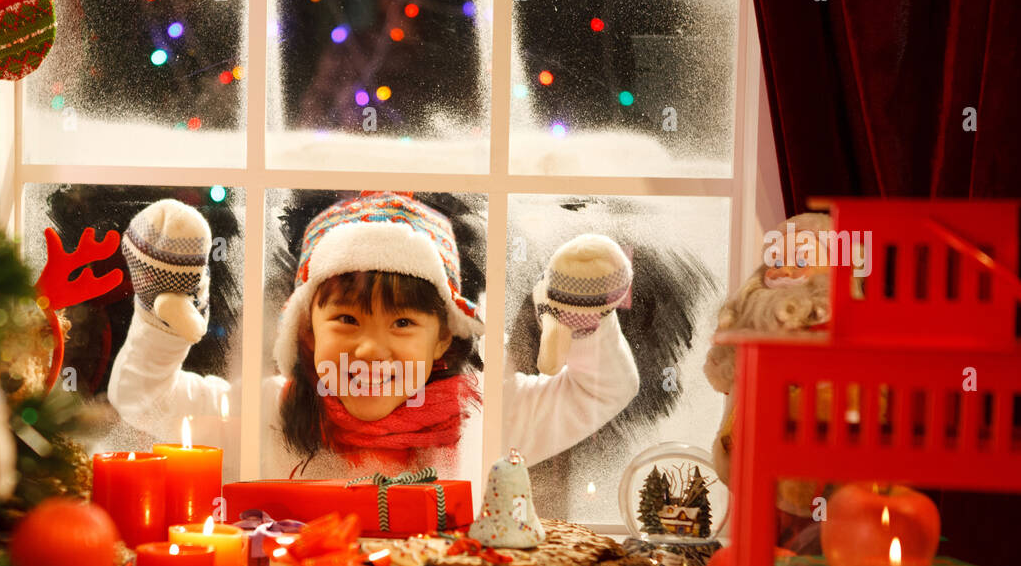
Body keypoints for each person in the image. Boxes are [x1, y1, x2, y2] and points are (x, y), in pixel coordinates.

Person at [107, 190, 640, 502]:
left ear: (443, 340)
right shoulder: (262, 411)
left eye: (403, 322)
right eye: (345, 319)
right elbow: (144, 397)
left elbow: (603, 389)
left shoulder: (486, 413)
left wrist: (582, 323)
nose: (369, 350)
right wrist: (165, 314)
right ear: (308, 331)